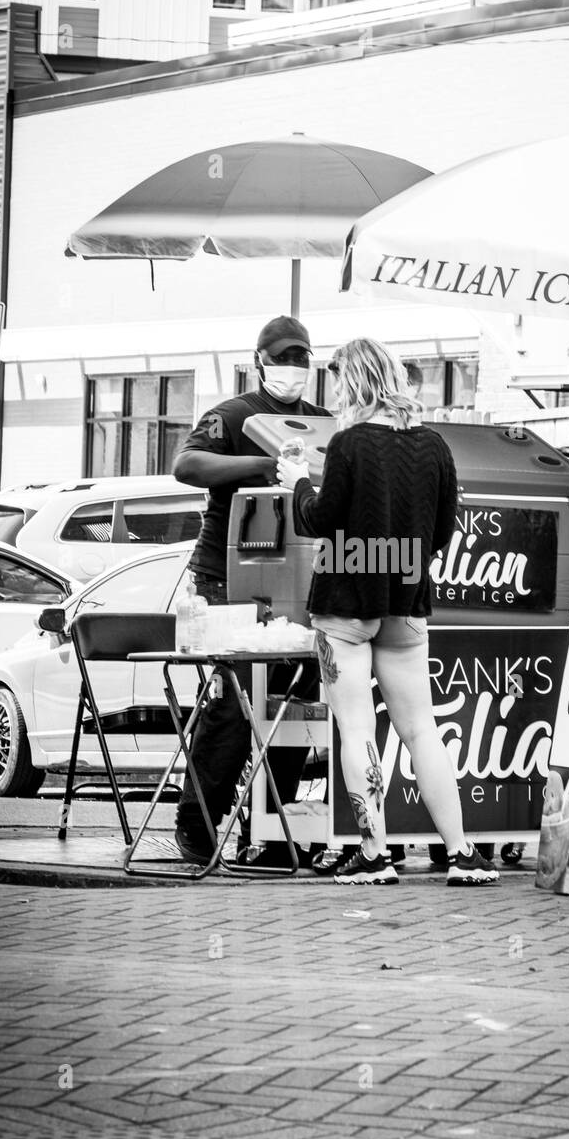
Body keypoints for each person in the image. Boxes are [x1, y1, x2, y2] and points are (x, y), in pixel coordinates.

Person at [276, 336, 498, 887]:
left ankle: (374, 854)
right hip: (406, 599)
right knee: (422, 729)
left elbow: (321, 518)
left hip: (346, 601)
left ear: (354, 382)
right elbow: (443, 530)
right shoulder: (437, 447)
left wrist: (296, 484)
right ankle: (463, 852)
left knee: (358, 729)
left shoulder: (350, 444)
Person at [171, 315, 329, 864]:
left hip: (299, 580)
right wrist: (264, 464)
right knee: (236, 703)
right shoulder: (235, 414)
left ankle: (272, 829)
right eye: (283, 358)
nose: (293, 368)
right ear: (260, 360)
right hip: (228, 578)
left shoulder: (322, 423)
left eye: (302, 359)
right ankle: (197, 819)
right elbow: (186, 465)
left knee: (292, 704)